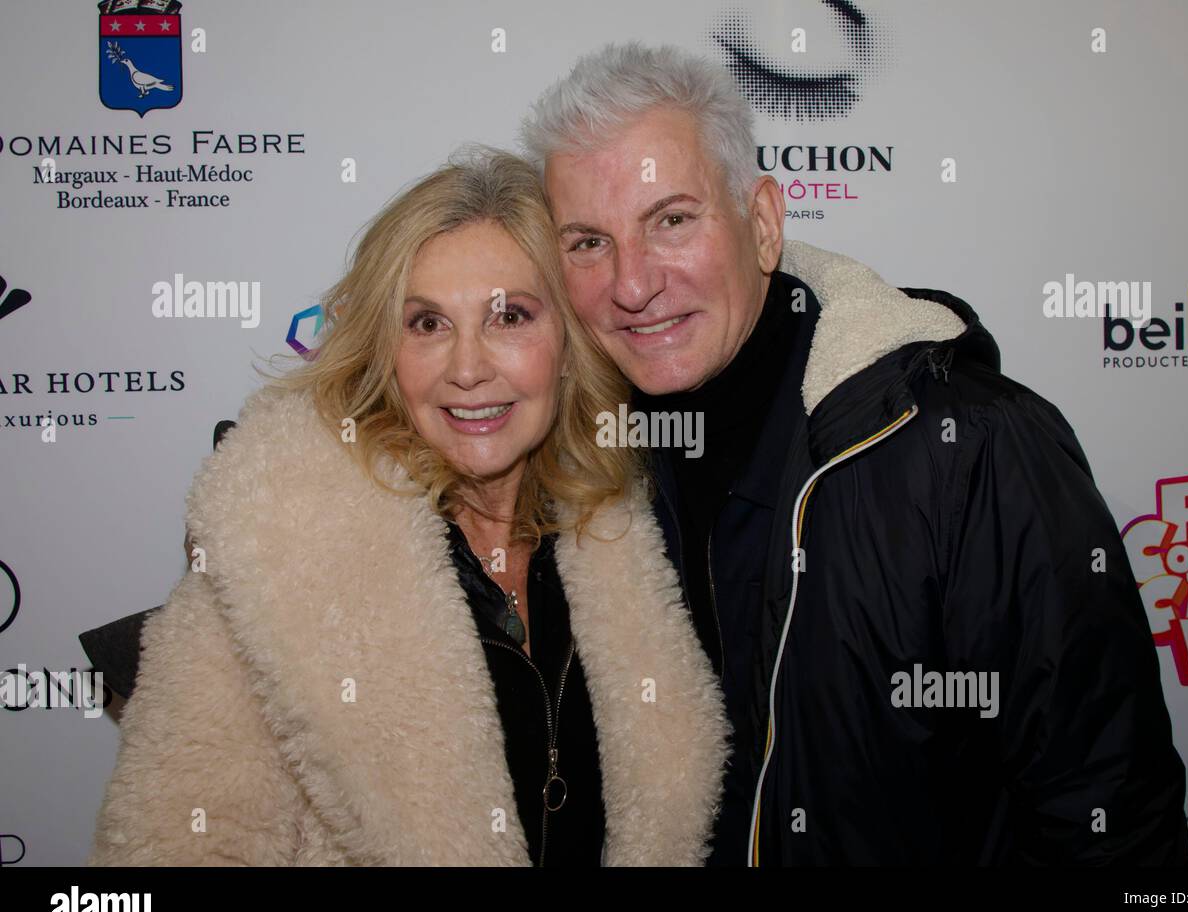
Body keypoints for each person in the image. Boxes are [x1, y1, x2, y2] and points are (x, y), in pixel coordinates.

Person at [520, 41, 1188, 865]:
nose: (632, 283)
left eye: (672, 220)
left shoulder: (970, 450)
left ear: (761, 223)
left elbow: (1111, 812)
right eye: (588, 241)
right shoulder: (576, 473)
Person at [87, 146, 729, 867]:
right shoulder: (273, 568)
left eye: (509, 316)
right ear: (384, 350)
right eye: (426, 324)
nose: (466, 367)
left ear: (570, 342)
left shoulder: (636, 533)